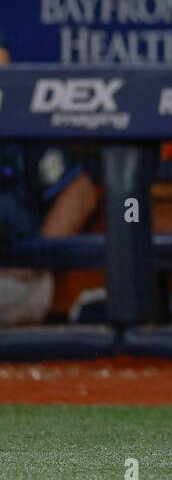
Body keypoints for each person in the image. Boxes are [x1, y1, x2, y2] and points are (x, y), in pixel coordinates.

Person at [0, 43, 99, 327]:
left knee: (132, 208)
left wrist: (34, 259)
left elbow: (80, 193)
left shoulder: (22, 125)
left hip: (14, 276)